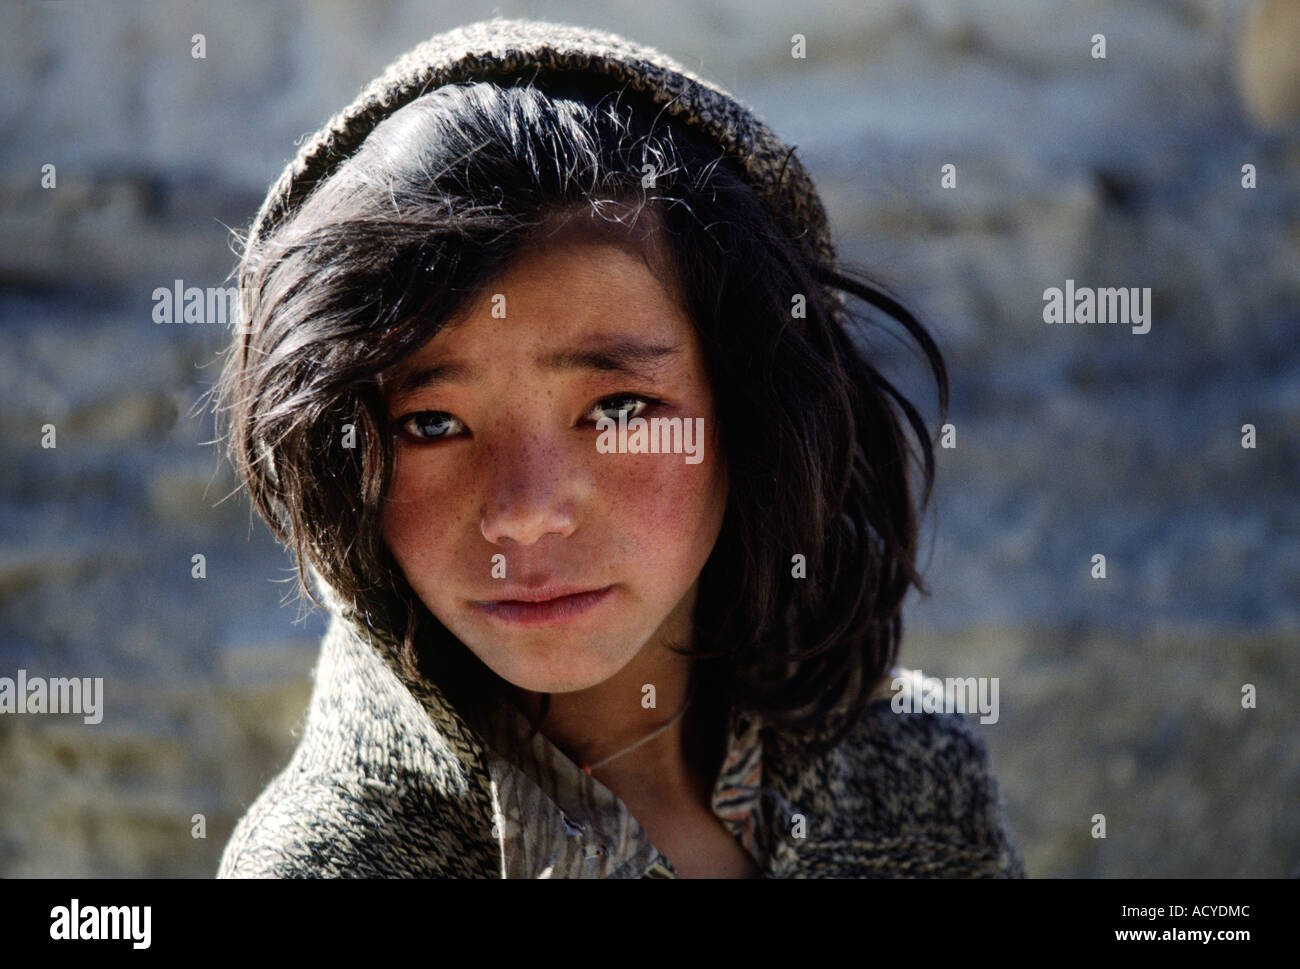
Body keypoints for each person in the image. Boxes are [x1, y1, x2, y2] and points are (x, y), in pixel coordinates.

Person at [213, 17, 1024, 878]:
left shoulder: (917, 788)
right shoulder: (324, 866)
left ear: (749, 409)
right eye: (433, 423)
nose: (524, 514)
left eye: (620, 407)